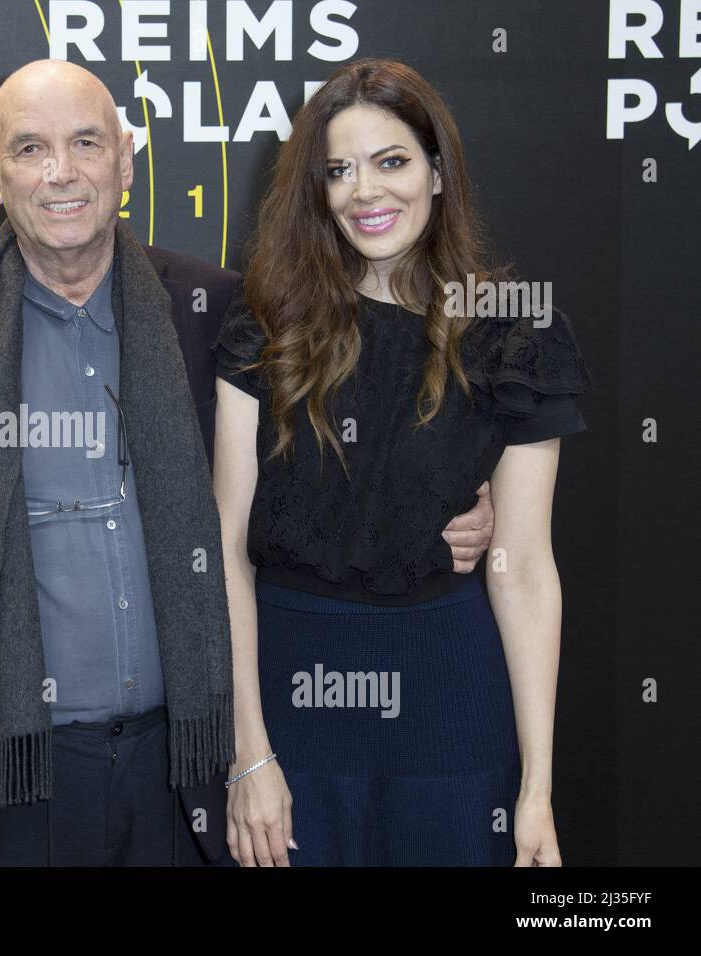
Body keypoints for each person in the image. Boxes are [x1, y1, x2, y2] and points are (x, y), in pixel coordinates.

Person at [0, 59, 495, 866]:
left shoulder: (220, 310)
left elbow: (338, 453)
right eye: (30, 151)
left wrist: (460, 494)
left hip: (188, 766)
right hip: (9, 769)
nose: (62, 173)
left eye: (85, 143)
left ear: (128, 160)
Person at [214, 58, 591, 867]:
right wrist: (251, 753)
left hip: (453, 700)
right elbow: (226, 554)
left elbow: (521, 566)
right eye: (338, 171)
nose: (365, 192)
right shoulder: (267, 324)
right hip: (294, 705)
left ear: (438, 173)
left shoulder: (513, 330)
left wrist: (537, 789)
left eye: (391, 162)